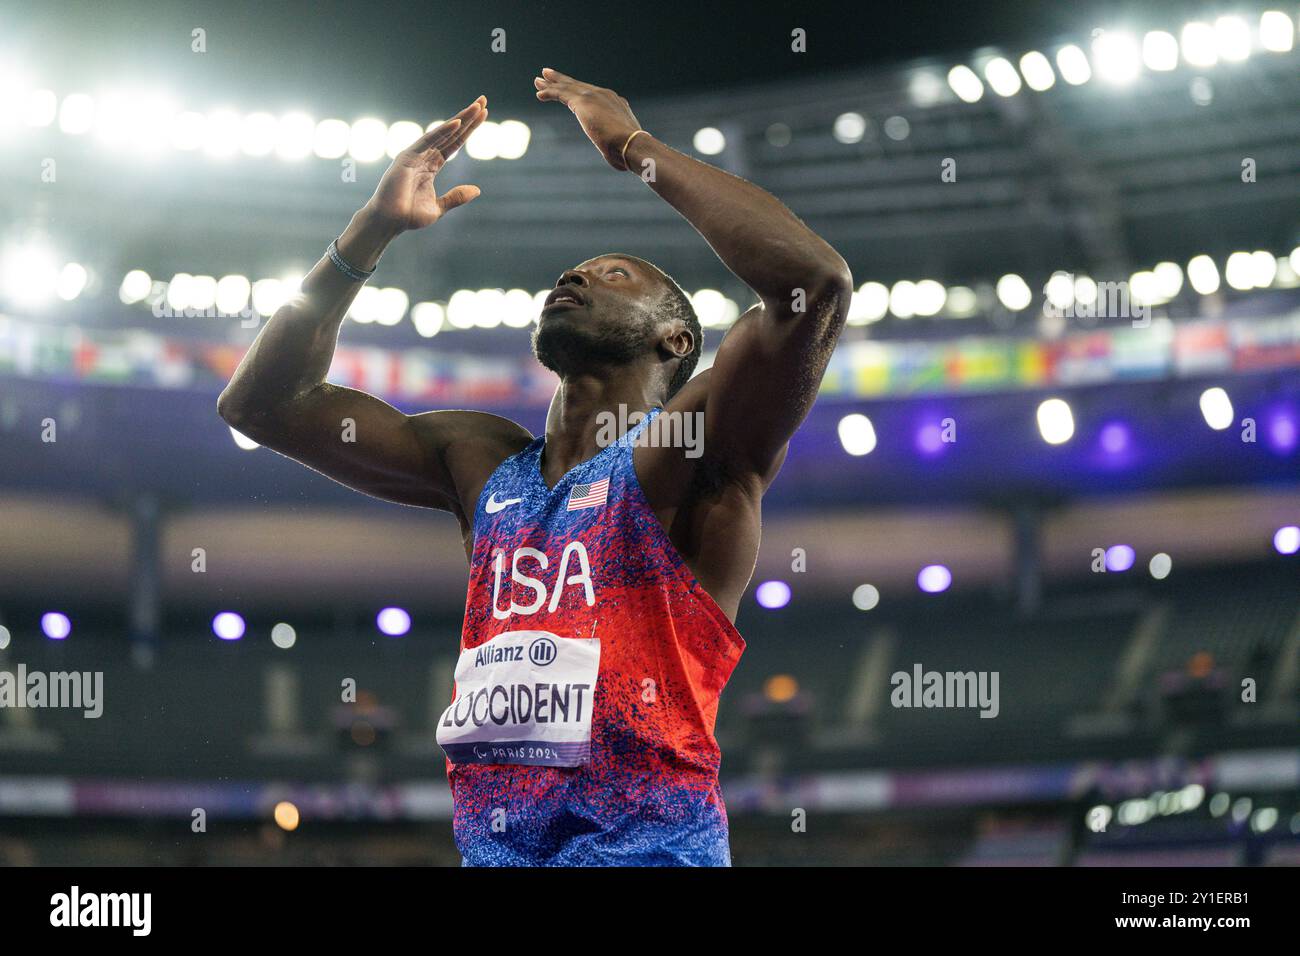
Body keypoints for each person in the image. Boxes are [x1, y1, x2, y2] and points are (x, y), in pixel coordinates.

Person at [218, 69, 852, 865]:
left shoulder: (687, 452)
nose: (574, 276)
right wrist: (367, 234)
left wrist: (634, 149)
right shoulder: (479, 461)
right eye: (572, 273)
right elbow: (261, 405)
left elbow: (813, 284)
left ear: (676, 342)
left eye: (615, 275)